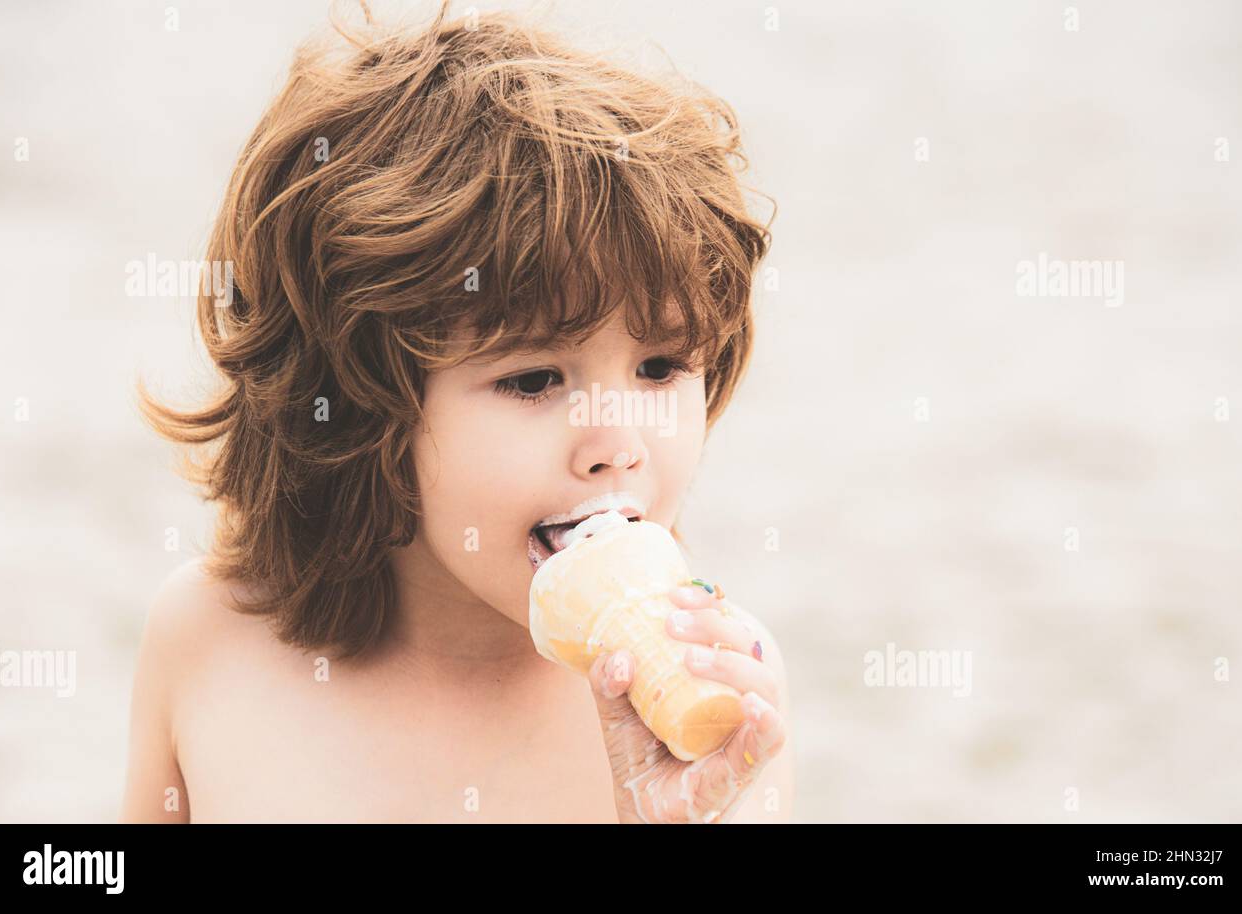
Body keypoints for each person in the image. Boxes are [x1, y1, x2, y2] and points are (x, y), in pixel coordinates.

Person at [122, 0, 792, 824]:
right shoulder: (207, 642)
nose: (618, 445)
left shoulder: (721, 701)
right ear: (363, 406)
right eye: (536, 380)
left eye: (660, 367)